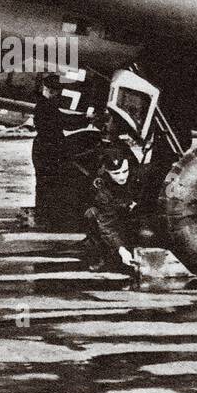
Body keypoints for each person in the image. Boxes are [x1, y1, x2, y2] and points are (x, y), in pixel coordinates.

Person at [31, 74, 87, 229]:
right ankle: (49, 219)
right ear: (50, 90)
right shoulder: (47, 106)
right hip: (49, 148)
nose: (57, 94)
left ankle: (44, 216)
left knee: (44, 183)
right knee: (51, 183)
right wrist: (87, 119)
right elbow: (65, 123)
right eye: (56, 91)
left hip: (43, 147)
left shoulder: (44, 104)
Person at [86, 143, 141, 274]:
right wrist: (121, 250)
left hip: (135, 214)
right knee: (91, 214)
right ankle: (103, 255)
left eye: (125, 171)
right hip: (113, 216)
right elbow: (107, 225)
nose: (122, 177)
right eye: (116, 173)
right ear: (106, 171)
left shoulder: (137, 174)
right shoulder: (101, 189)